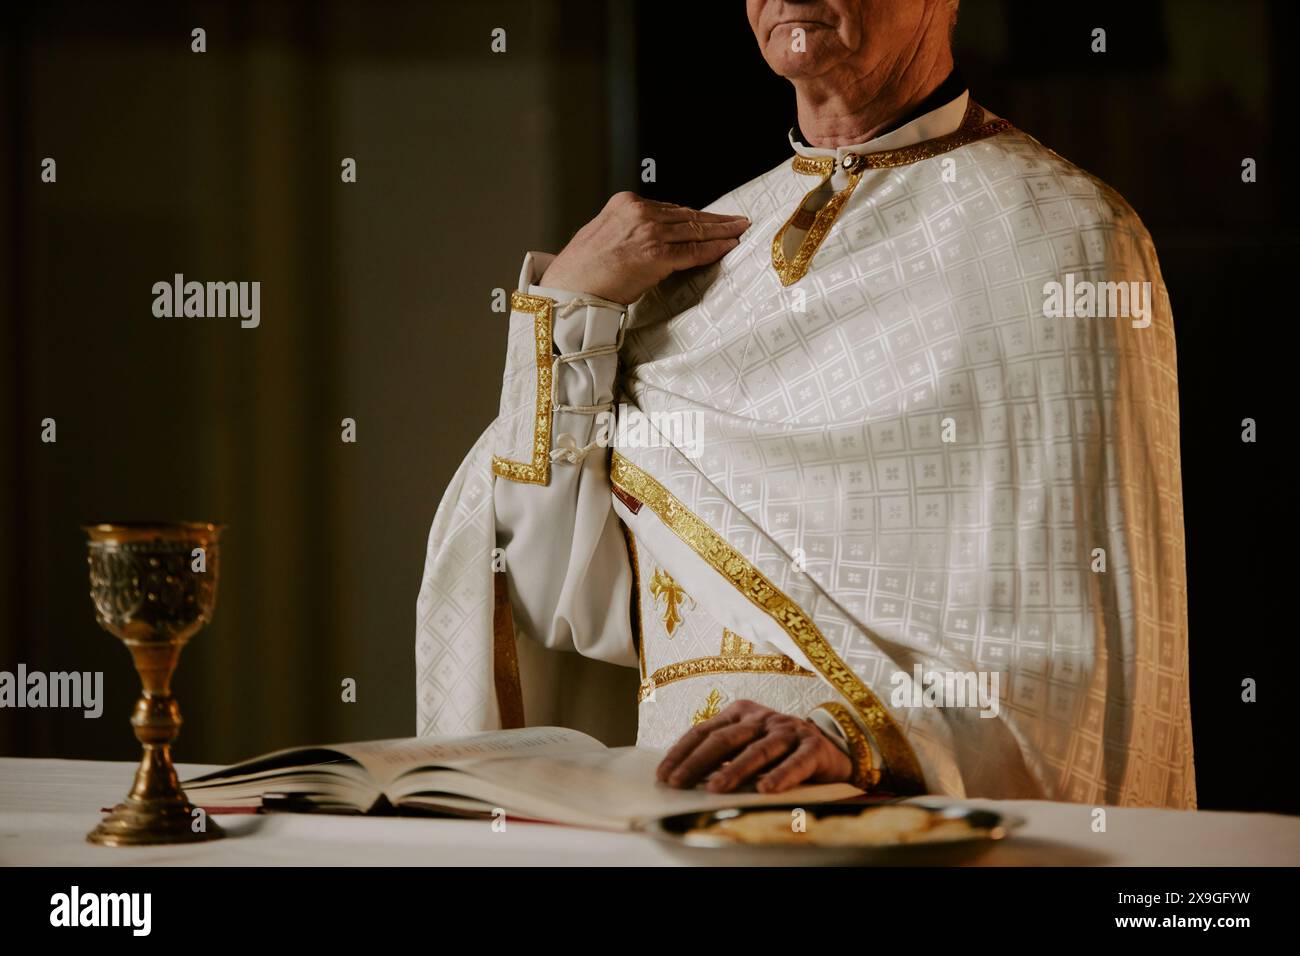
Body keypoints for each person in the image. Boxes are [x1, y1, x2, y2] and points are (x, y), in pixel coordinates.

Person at [415, 0, 1195, 807]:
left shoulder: (1063, 237)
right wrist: (568, 309)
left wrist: (855, 734)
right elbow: (560, 600)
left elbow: (1086, 638)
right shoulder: (700, 255)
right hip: (678, 817)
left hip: (899, 825)